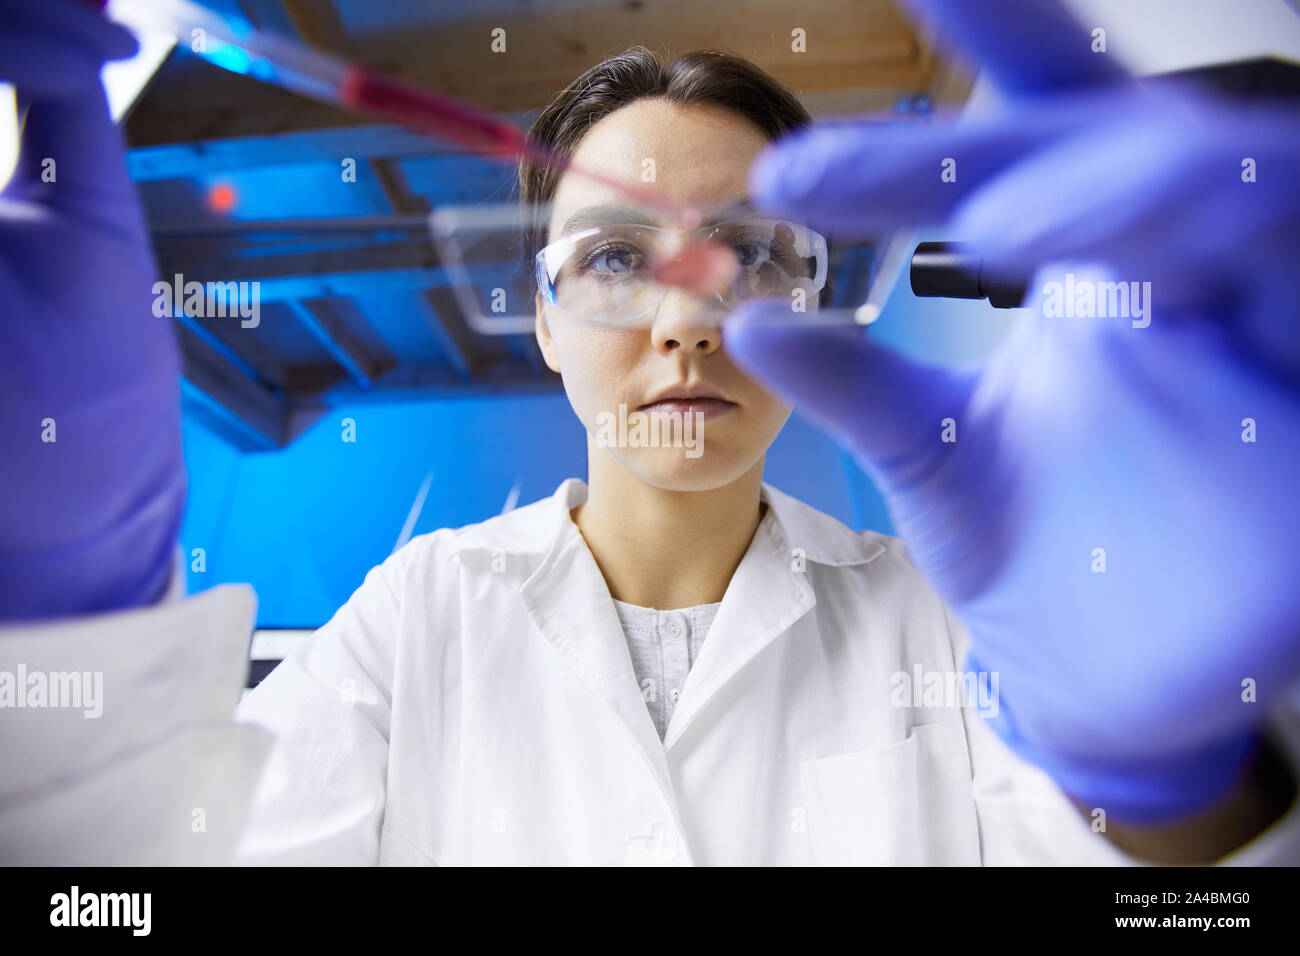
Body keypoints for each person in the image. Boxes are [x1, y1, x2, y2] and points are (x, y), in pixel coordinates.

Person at [2, 0, 1298, 866]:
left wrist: (1160, 780)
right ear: (545, 323)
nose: (690, 319)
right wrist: (60, 646)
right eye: (618, 257)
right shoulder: (418, 620)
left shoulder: (946, 624)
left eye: (747, 254)